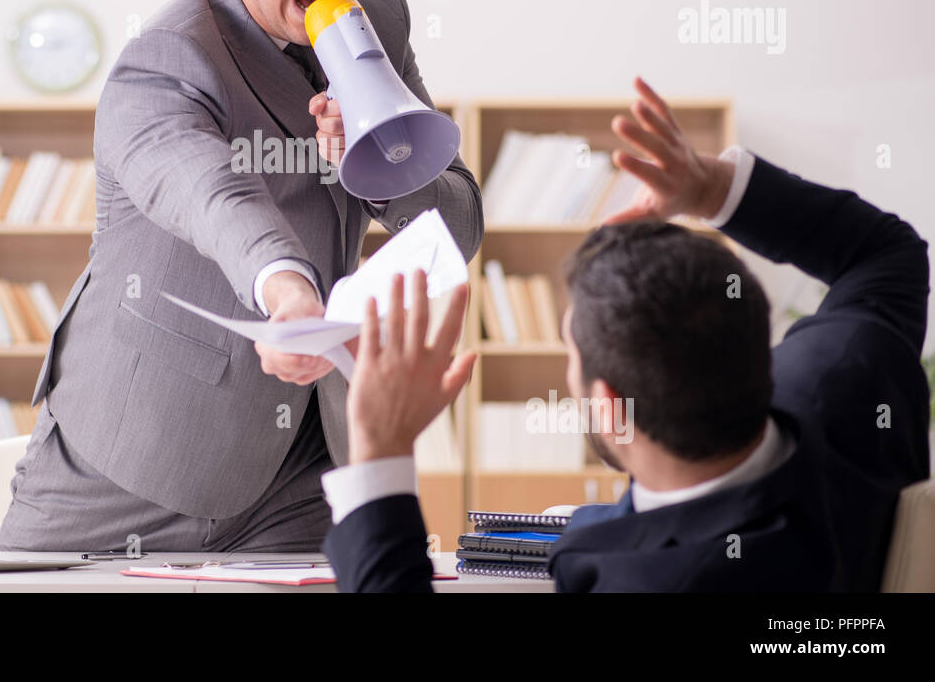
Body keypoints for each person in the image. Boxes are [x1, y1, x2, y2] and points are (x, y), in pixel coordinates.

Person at [0, 0, 482, 554]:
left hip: (305, 469)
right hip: (134, 463)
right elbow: (212, 193)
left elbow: (458, 224)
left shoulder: (377, 16)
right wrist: (287, 290)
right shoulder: (168, 55)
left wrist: (382, 165)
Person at [322, 77, 930, 591]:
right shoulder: (846, 381)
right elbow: (889, 256)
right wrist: (716, 189)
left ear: (612, 408)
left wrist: (378, 456)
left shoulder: (644, 580)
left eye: (571, 358)